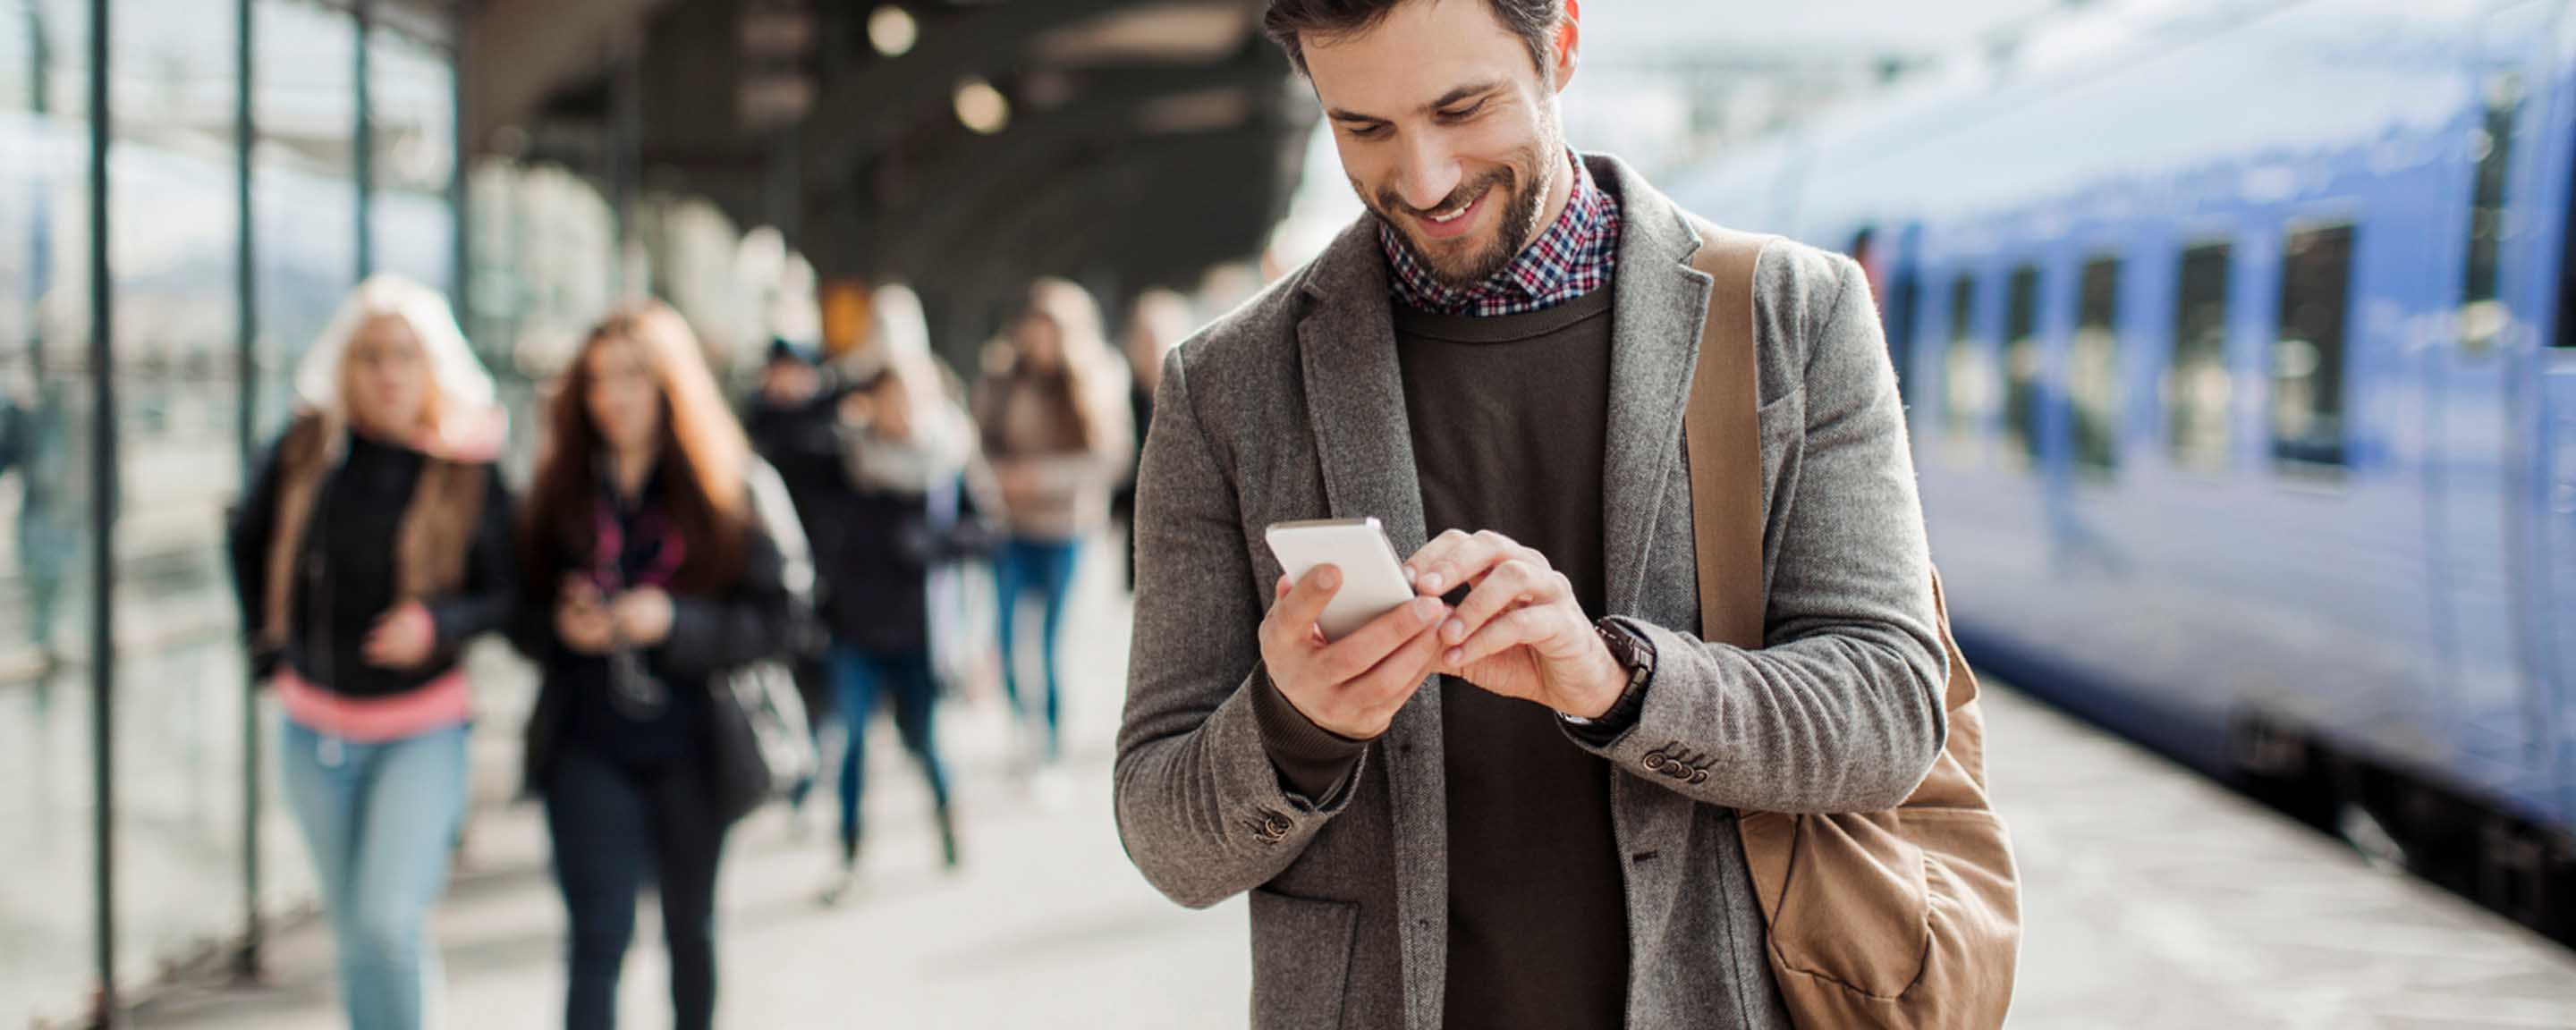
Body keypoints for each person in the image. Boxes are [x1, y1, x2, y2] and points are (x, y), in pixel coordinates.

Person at [1113, 3, 1951, 1028]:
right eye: (1362, 128)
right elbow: (1167, 838)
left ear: (1560, 44)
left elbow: (1892, 712)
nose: (1422, 180)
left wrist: (1616, 683)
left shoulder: (1793, 316)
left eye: (1462, 108)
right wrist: (1296, 724)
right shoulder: (1226, 389)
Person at [226, 275, 515, 1030]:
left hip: (420, 730)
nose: (388, 374)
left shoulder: (466, 465)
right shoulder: (305, 451)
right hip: (315, 729)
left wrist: (438, 623)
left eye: (406, 357)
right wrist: (267, 647)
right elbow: (245, 538)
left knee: (389, 919)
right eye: (372, 356)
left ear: (433, 368)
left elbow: (510, 593)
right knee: (357, 928)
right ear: (345, 367)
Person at [517, 302, 790, 1030]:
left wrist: (676, 622)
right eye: (599, 380)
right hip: (588, 740)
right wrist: (560, 625)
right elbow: (517, 606)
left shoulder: (733, 486)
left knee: (689, 932)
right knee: (596, 938)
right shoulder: (561, 488)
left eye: (634, 377)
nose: (614, 397)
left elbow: (784, 618)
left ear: (671, 383)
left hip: (697, 743)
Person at [816, 344, 989, 902]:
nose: (903, 409)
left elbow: (986, 533)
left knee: (926, 743)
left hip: (922, 634)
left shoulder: (948, 462)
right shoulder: (846, 458)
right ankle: (848, 854)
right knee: (850, 747)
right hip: (855, 631)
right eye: (891, 397)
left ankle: (947, 821)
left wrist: (935, 544)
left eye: (913, 397)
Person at [971, 279, 1132, 777]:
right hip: (1011, 529)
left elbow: (1110, 459)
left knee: (1051, 643)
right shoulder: (1000, 379)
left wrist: (1036, 479)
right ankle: (1024, 730)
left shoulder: (1096, 379)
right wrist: (998, 482)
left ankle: (1053, 744)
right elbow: (977, 446)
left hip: (1067, 531)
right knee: (1005, 634)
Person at [1111, 290, 1193, 592]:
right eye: (1144, 338)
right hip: (1136, 519)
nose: (1151, 348)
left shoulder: (1191, 395)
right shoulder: (1123, 393)